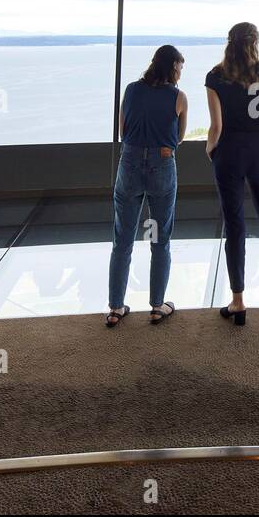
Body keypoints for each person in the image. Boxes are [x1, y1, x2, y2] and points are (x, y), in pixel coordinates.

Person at [206, 22, 259, 326]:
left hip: (228, 153)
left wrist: (210, 151)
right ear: (255, 42)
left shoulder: (215, 76)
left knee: (235, 225)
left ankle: (238, 301)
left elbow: (215, 127)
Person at [106, 45, 188, 327]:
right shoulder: (179, 97)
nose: (180, 73)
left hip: (129, 163)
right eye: (179, 67)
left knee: (123, 240)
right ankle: (156, 306)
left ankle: (116, 308)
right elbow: (178, 138)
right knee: (160, 239)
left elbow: (122, 131)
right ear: (171, 67)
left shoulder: (130, 89)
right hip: (162, 165)